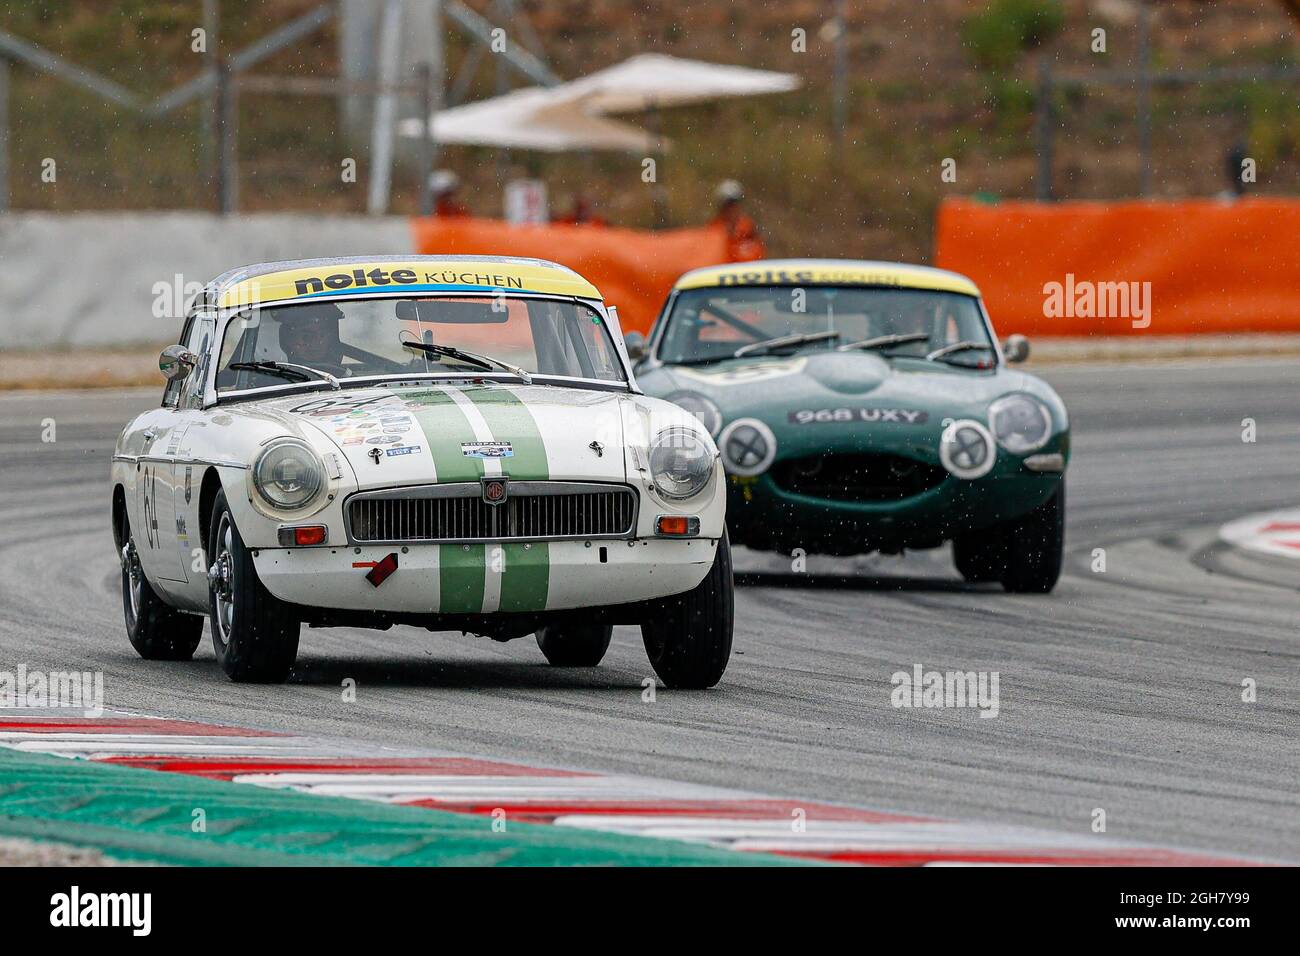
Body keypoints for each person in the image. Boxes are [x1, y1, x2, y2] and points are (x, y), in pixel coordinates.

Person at [278, 303, 347, 374]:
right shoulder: (276, 380)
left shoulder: (347, 376)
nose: (315, 343)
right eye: (306, 336)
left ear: (330, 339)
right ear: (289, 341)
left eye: (322, 335)